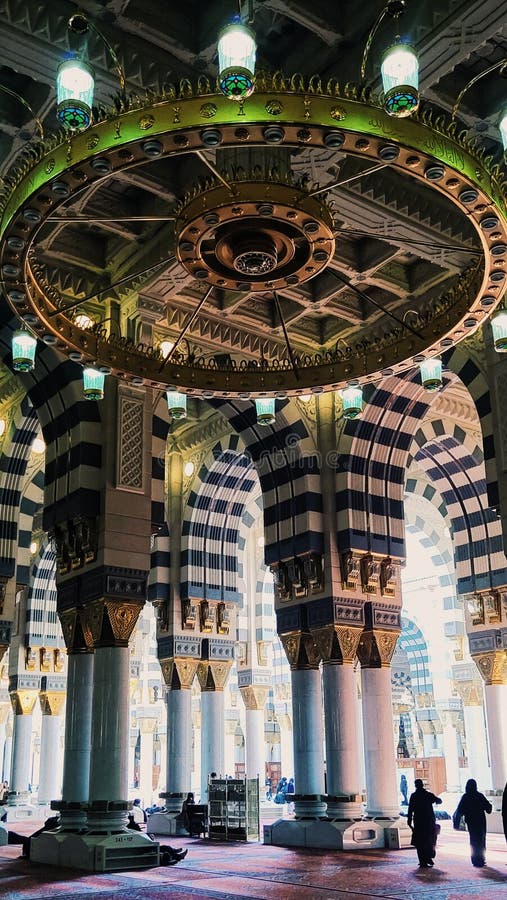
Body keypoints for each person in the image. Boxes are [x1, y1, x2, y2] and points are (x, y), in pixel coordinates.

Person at [453, 778, 492, 867]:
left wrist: (457, 823)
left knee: (473, 839)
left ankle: (475, 859)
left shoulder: (465, 797)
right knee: (481, 839)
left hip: (471, 822)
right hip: (481, 821)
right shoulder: (479, 796)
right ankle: (481, 858)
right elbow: (488, 808)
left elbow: (460, 810)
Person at [407, 778, 442, 868]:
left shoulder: (414, 796)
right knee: (428, 840)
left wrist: (409, 821)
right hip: (428, 821)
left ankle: (423, 860)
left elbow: (410, 809)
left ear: (416, 786)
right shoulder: (428, 795)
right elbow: (439, 801)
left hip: (418, 822)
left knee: (420, 842)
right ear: (422, 785)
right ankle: (428, 857)